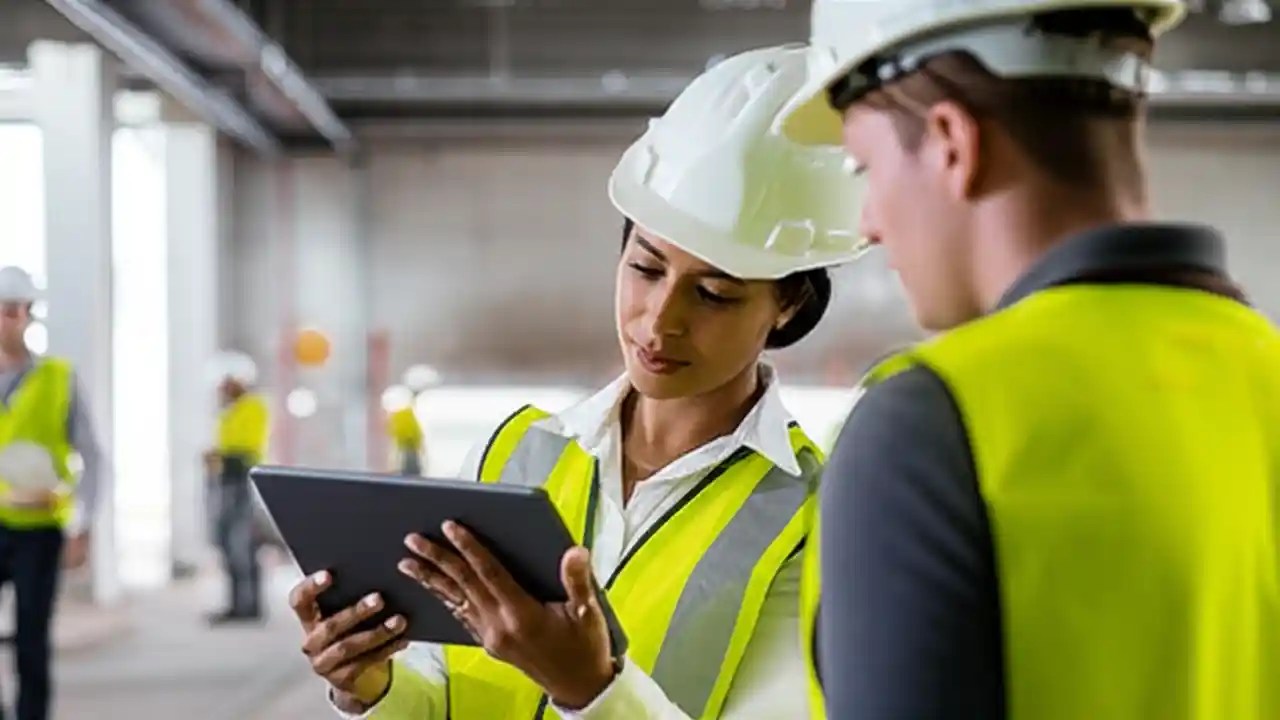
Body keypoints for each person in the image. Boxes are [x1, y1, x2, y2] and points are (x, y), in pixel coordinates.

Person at [288, 44, 866, 719]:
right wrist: (369, 687)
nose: (660, 322)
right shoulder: (514, 454)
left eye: (713, 294)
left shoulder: (811, 521)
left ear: (788, 304)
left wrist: (592, 690)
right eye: (645, 268)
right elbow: (444, 700)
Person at [781, 1, 1280, 718]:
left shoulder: (932, 425)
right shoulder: (1264, 375)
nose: (868, 222)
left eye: (866, 167)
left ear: (952, 142)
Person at [0, 266, 108, 720]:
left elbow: (93, 457)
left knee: (32, 638)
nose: (4, 321)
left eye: (11, 311)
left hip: (39, 529)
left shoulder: (58, 378)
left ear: (29, 314)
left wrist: (83, 525)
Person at [204, 351, 270, 625]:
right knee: (228, 545)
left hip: (243, 479)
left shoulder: (253, 407)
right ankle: (237, 604)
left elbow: (248, 447)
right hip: (225, 481)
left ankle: (249, 606)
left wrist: (221, 458)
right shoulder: (228, 410)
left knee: (242, 544)